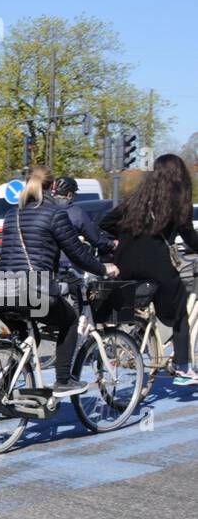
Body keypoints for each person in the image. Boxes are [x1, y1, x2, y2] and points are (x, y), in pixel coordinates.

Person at [0, 164, 118, 396]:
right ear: (52, 188)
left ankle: (4, 390)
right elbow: (78, 254)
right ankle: (63, 381)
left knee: (28, 340)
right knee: (69, 322)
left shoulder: (12, 214)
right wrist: (103, 268)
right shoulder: (55, 214)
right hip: (32, 289)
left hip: (1, 290)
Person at [100, 154, 198, 386]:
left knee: (136, 302)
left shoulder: (135, 199)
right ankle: (183, 367)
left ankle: (134, 337)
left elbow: (104, 223)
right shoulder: (177, 203)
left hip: (124, 263)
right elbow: (190, 238)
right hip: (157, 265)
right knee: (179, 312)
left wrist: (122, 239)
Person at [50, 176, 115, 270]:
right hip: (66, 265)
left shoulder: (43, 209)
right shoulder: (75, 212)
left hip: (42, 265)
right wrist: (111, 244)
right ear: (69, 195)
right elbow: (95, 238)